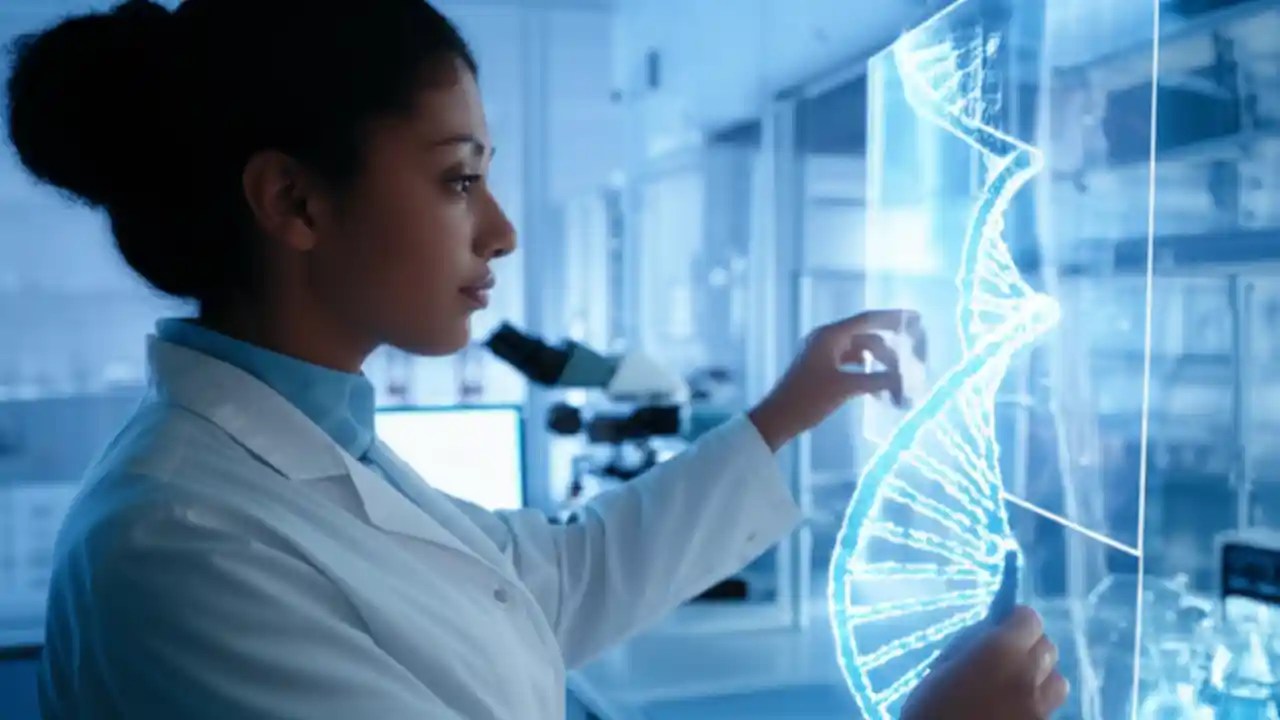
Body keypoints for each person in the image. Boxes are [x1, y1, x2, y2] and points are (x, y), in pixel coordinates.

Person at [4, 1, 1068, 718]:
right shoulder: (182, 551)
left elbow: (547, 582)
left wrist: (789, 406)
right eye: (458, 179)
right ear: (294, 200)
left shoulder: (322, 452)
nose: (500, 230)